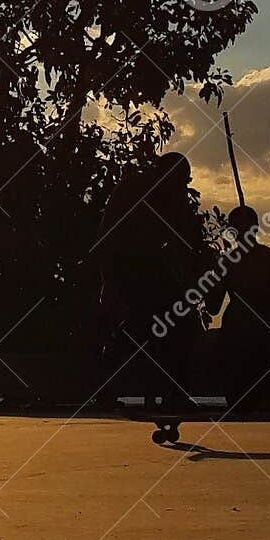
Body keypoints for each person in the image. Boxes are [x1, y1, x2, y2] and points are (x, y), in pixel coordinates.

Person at [95, 152, 207, 411]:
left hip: (156, 270)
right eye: (177, 181)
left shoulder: (176, 198)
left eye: (184, 183)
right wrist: (108, 281)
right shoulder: (133, 189)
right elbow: (107, 236)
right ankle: (107, 388)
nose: (180, 188)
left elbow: (187, 242)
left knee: (182, 322)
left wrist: (190, 278)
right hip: (126, 267)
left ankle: (176, 392)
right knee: (131, 328)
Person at [201, 206, 270, 411]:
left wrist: (265, 299)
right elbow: (213, 307)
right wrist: (208, 274)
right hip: (237, 325)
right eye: (237, 228)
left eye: (244, 227)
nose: (241, 232)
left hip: (268, 323)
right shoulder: (226, 263)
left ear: (255, 228)